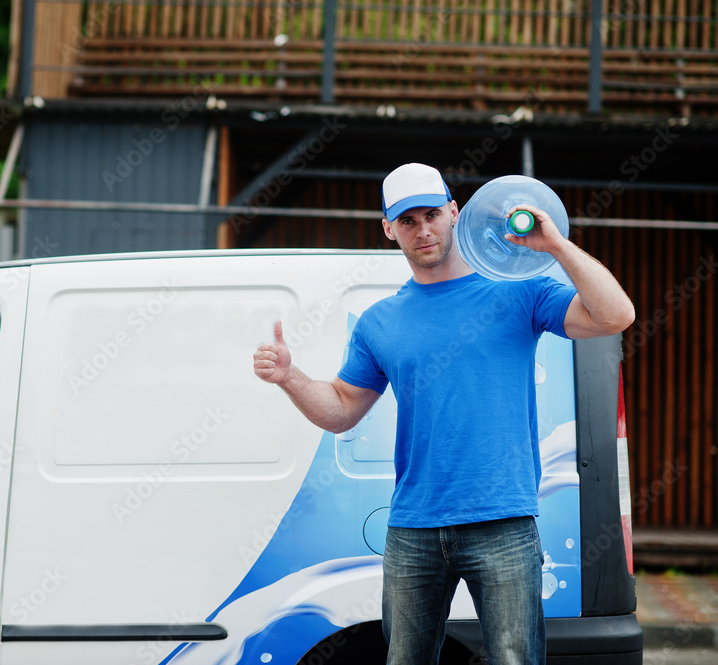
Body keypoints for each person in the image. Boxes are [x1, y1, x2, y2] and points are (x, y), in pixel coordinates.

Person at [252, 163, 635, 665]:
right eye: (408, 221)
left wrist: (557, 247)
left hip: (503, 521)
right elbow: (342, 410)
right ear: (389, 229)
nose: (424, 230)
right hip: (413, 527)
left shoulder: (519, 291)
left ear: (455, 212)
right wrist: (290, 377)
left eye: (432, 214)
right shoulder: (380, 322)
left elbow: (615, 315)